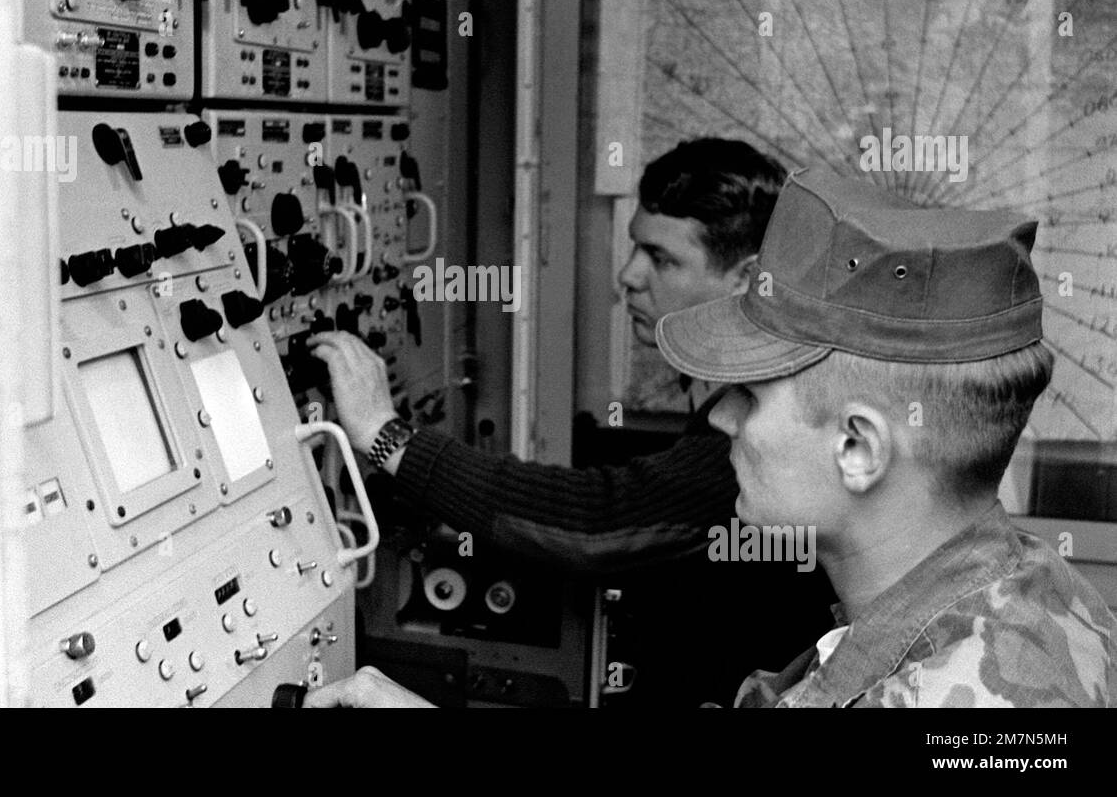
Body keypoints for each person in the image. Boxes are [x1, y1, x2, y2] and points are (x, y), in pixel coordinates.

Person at [307, 170, 1116, 707]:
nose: (719, 419)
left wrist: (385, 442)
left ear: (861, 449)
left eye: (749, 395)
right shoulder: (1032, 595)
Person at [309, 138, 837, 706]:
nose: (628, 276)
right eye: (635, 248)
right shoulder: (734, 389)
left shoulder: (763, 423)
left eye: (661, 259)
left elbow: (599, 521)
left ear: (746, 277)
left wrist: (386, 438)